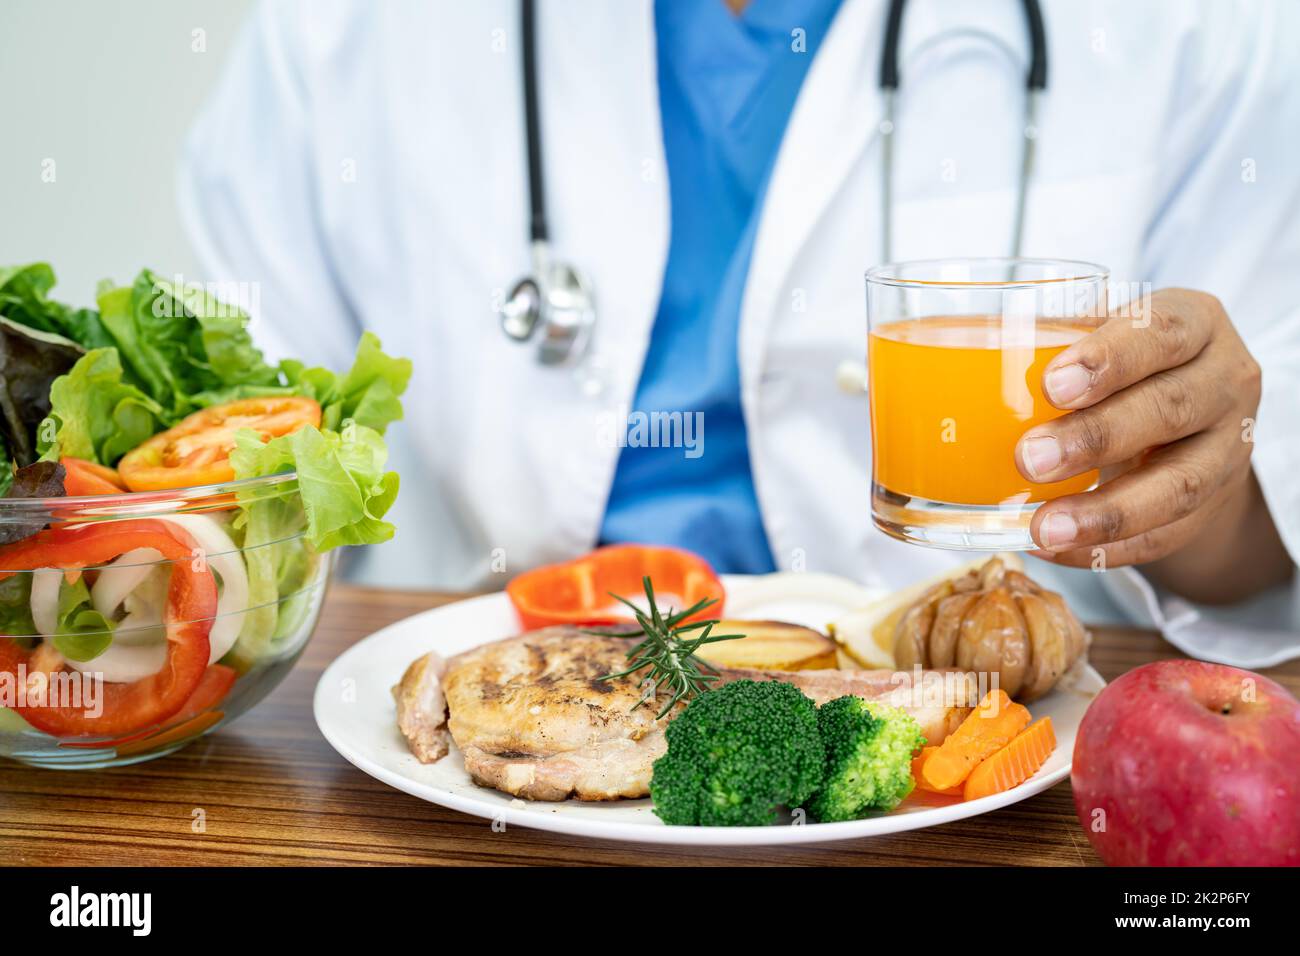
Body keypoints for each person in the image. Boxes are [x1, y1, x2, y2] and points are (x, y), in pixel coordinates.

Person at [179, 0, 1298, 645]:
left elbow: (1258, 542)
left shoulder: (1206, 30)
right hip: (514, 699)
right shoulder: (341, 31)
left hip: (1002, 724)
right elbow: (237, 463)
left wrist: (1200, 495)